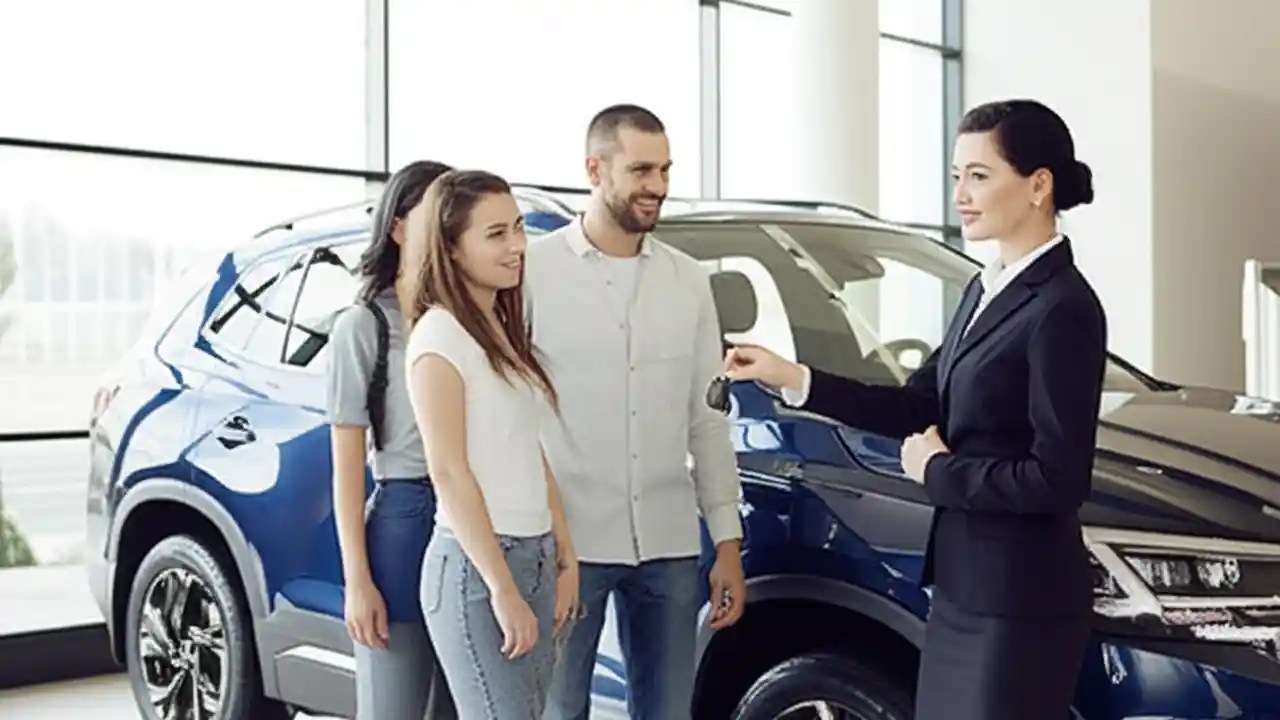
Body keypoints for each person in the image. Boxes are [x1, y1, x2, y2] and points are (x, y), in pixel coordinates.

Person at [724, 99, 1106, 720]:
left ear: (1039, 186)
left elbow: (1058, 479)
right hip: (963, 587)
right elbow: (917, 404)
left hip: (1019, 601)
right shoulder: (986, 288)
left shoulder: (1063, 306)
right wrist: (795, 378)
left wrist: (937, 473)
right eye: (956, 175)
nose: (961, 193)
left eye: (979, 176)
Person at [529, 104, 747, 720]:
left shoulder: (688, 280)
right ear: (595, 169)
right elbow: (510, 417)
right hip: (568, 544)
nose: (658, 185)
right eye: (641, 169)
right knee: (559, 711)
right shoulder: (534, 274)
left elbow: (707, 418)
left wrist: (726, 541)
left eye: (666, 169)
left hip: (670, 542)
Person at [403, 169, 580, 719]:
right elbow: (450, 473)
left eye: (519, 229)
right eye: (496, 234)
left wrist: (564, 551)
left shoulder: (499, 328)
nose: (517, 246)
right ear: (452, 249)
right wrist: (502, 589)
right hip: (478, 571)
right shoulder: (438, 339)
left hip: (535, 556)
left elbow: (529, 448)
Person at [326, 159, 452, 720]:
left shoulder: (470, 321)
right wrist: (358, 580)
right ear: (398, 227)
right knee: (394, 707)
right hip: (404, 517)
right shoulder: (364, 326)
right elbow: (347, 465)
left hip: (474, 518)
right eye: (437, 217)